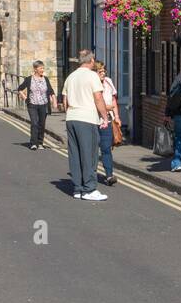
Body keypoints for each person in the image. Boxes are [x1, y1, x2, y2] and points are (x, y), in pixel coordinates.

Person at [61, 48, 109, 201]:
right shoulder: (92, 76)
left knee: (75, 154)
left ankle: (78, 189)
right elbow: (98, 98)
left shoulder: (71, 77)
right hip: (87, 119)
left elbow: (65, 101)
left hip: (71, 117)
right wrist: (105, 117)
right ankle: (89, 189)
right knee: (89, 154)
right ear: (91, 60)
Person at [17, 61, 57, 149]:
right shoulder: (29, 79)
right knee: (34, 123)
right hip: (32, 105)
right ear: (35, 69)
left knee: (42, 124)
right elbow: (20, 88)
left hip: (44, 104)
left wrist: (54, 101)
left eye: (43, 68)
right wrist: (25, 98)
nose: (42, 70)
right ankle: (33, 143)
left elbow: (51, 91)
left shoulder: (45, 79)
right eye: (41, 68)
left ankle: (40, 142)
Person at [95, 58, 121, 187]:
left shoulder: (108, 82)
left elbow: (113, 100)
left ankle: (109, 175)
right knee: (93, 150)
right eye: (100, 71)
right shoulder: (91, 84)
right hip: (93, 121)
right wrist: (106, 107)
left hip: (107, 121)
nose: (103, 73)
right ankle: (90, 173)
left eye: (104, 71)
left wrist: (116, 116)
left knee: (106, 149)